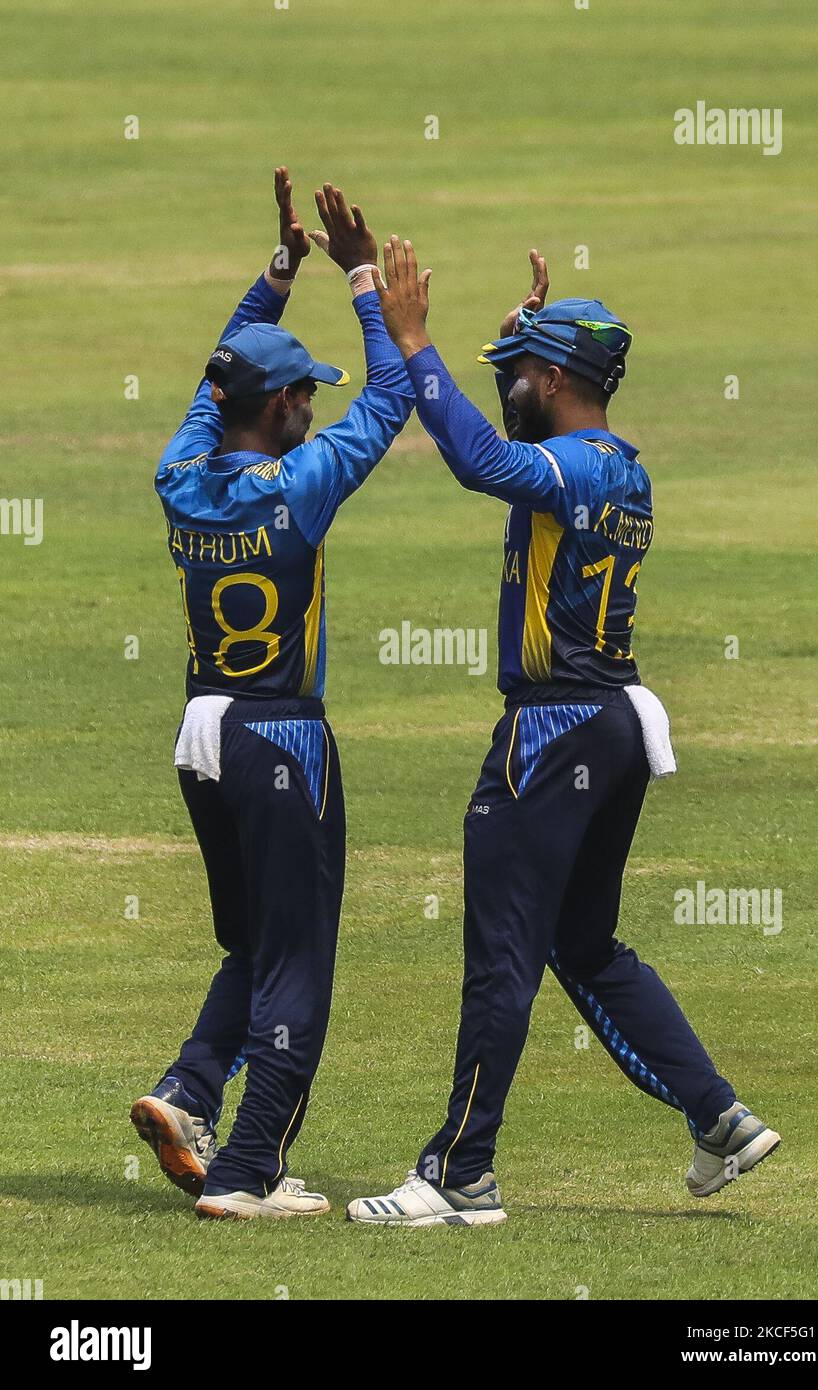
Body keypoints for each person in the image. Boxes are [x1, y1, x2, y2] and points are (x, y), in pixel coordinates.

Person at [346, 238, 780, 1228]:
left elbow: (477, 456)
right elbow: (516, 430)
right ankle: (716, 1115)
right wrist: (513, 345)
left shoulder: (571, 464)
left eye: (518, 374)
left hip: (551, 732)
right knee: (582, 944)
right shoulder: (614, 462)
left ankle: (461, 1172)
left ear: (552, 379)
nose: (507, 387)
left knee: (502, 949)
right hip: (614, 721)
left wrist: (408, 336)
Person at [131, 174, 414, 1220]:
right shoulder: (301, 487)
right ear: (286, 404)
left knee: (253, 943)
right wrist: (358, 280)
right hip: (282, 734)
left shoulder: (182, 478)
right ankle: (250, 1169)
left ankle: (187, 1092)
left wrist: (276, 280)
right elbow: (391, 399)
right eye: (308, 394)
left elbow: (208, 393)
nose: (317, 406)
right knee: (299, 958)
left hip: (199, 731)